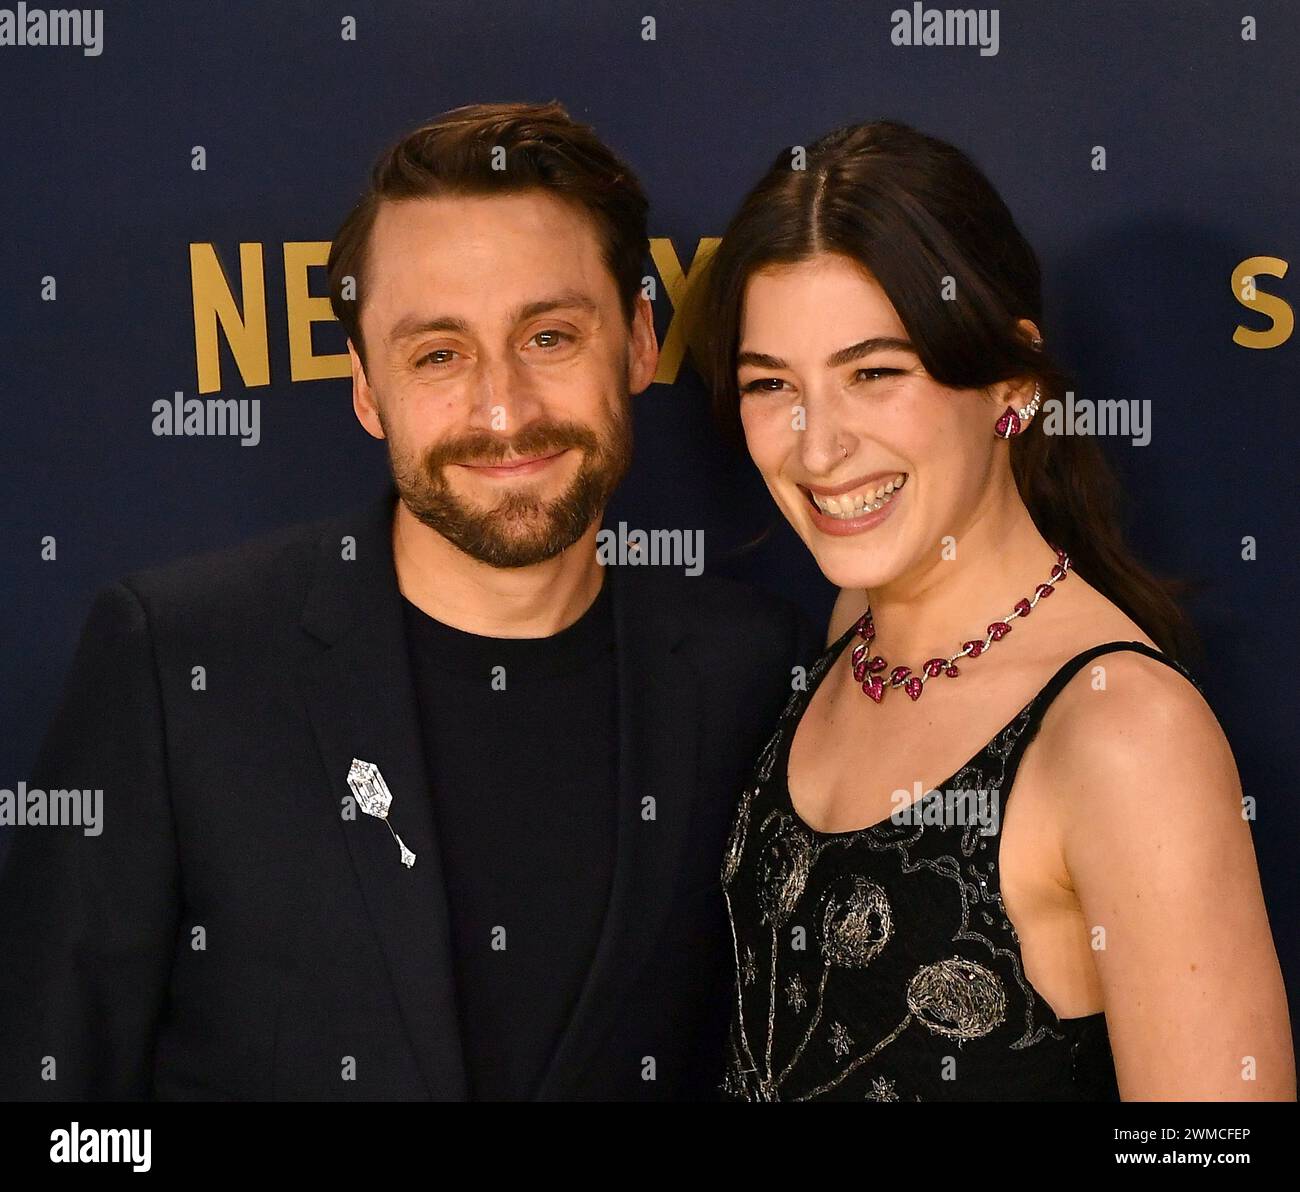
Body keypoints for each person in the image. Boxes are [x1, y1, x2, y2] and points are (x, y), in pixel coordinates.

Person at [0, 101, 816, 1101]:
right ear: (366, 388)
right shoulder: (179, 660)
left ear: (640, 342)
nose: (503, 409)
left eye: (550, 335)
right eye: (438, 354)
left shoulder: (752, 666)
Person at [696, 118, 1295, 1101]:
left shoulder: (1122, 733)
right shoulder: (855, 618)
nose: (815, 450)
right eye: (773, 385)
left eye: (873, 373)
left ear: (1010, 381)